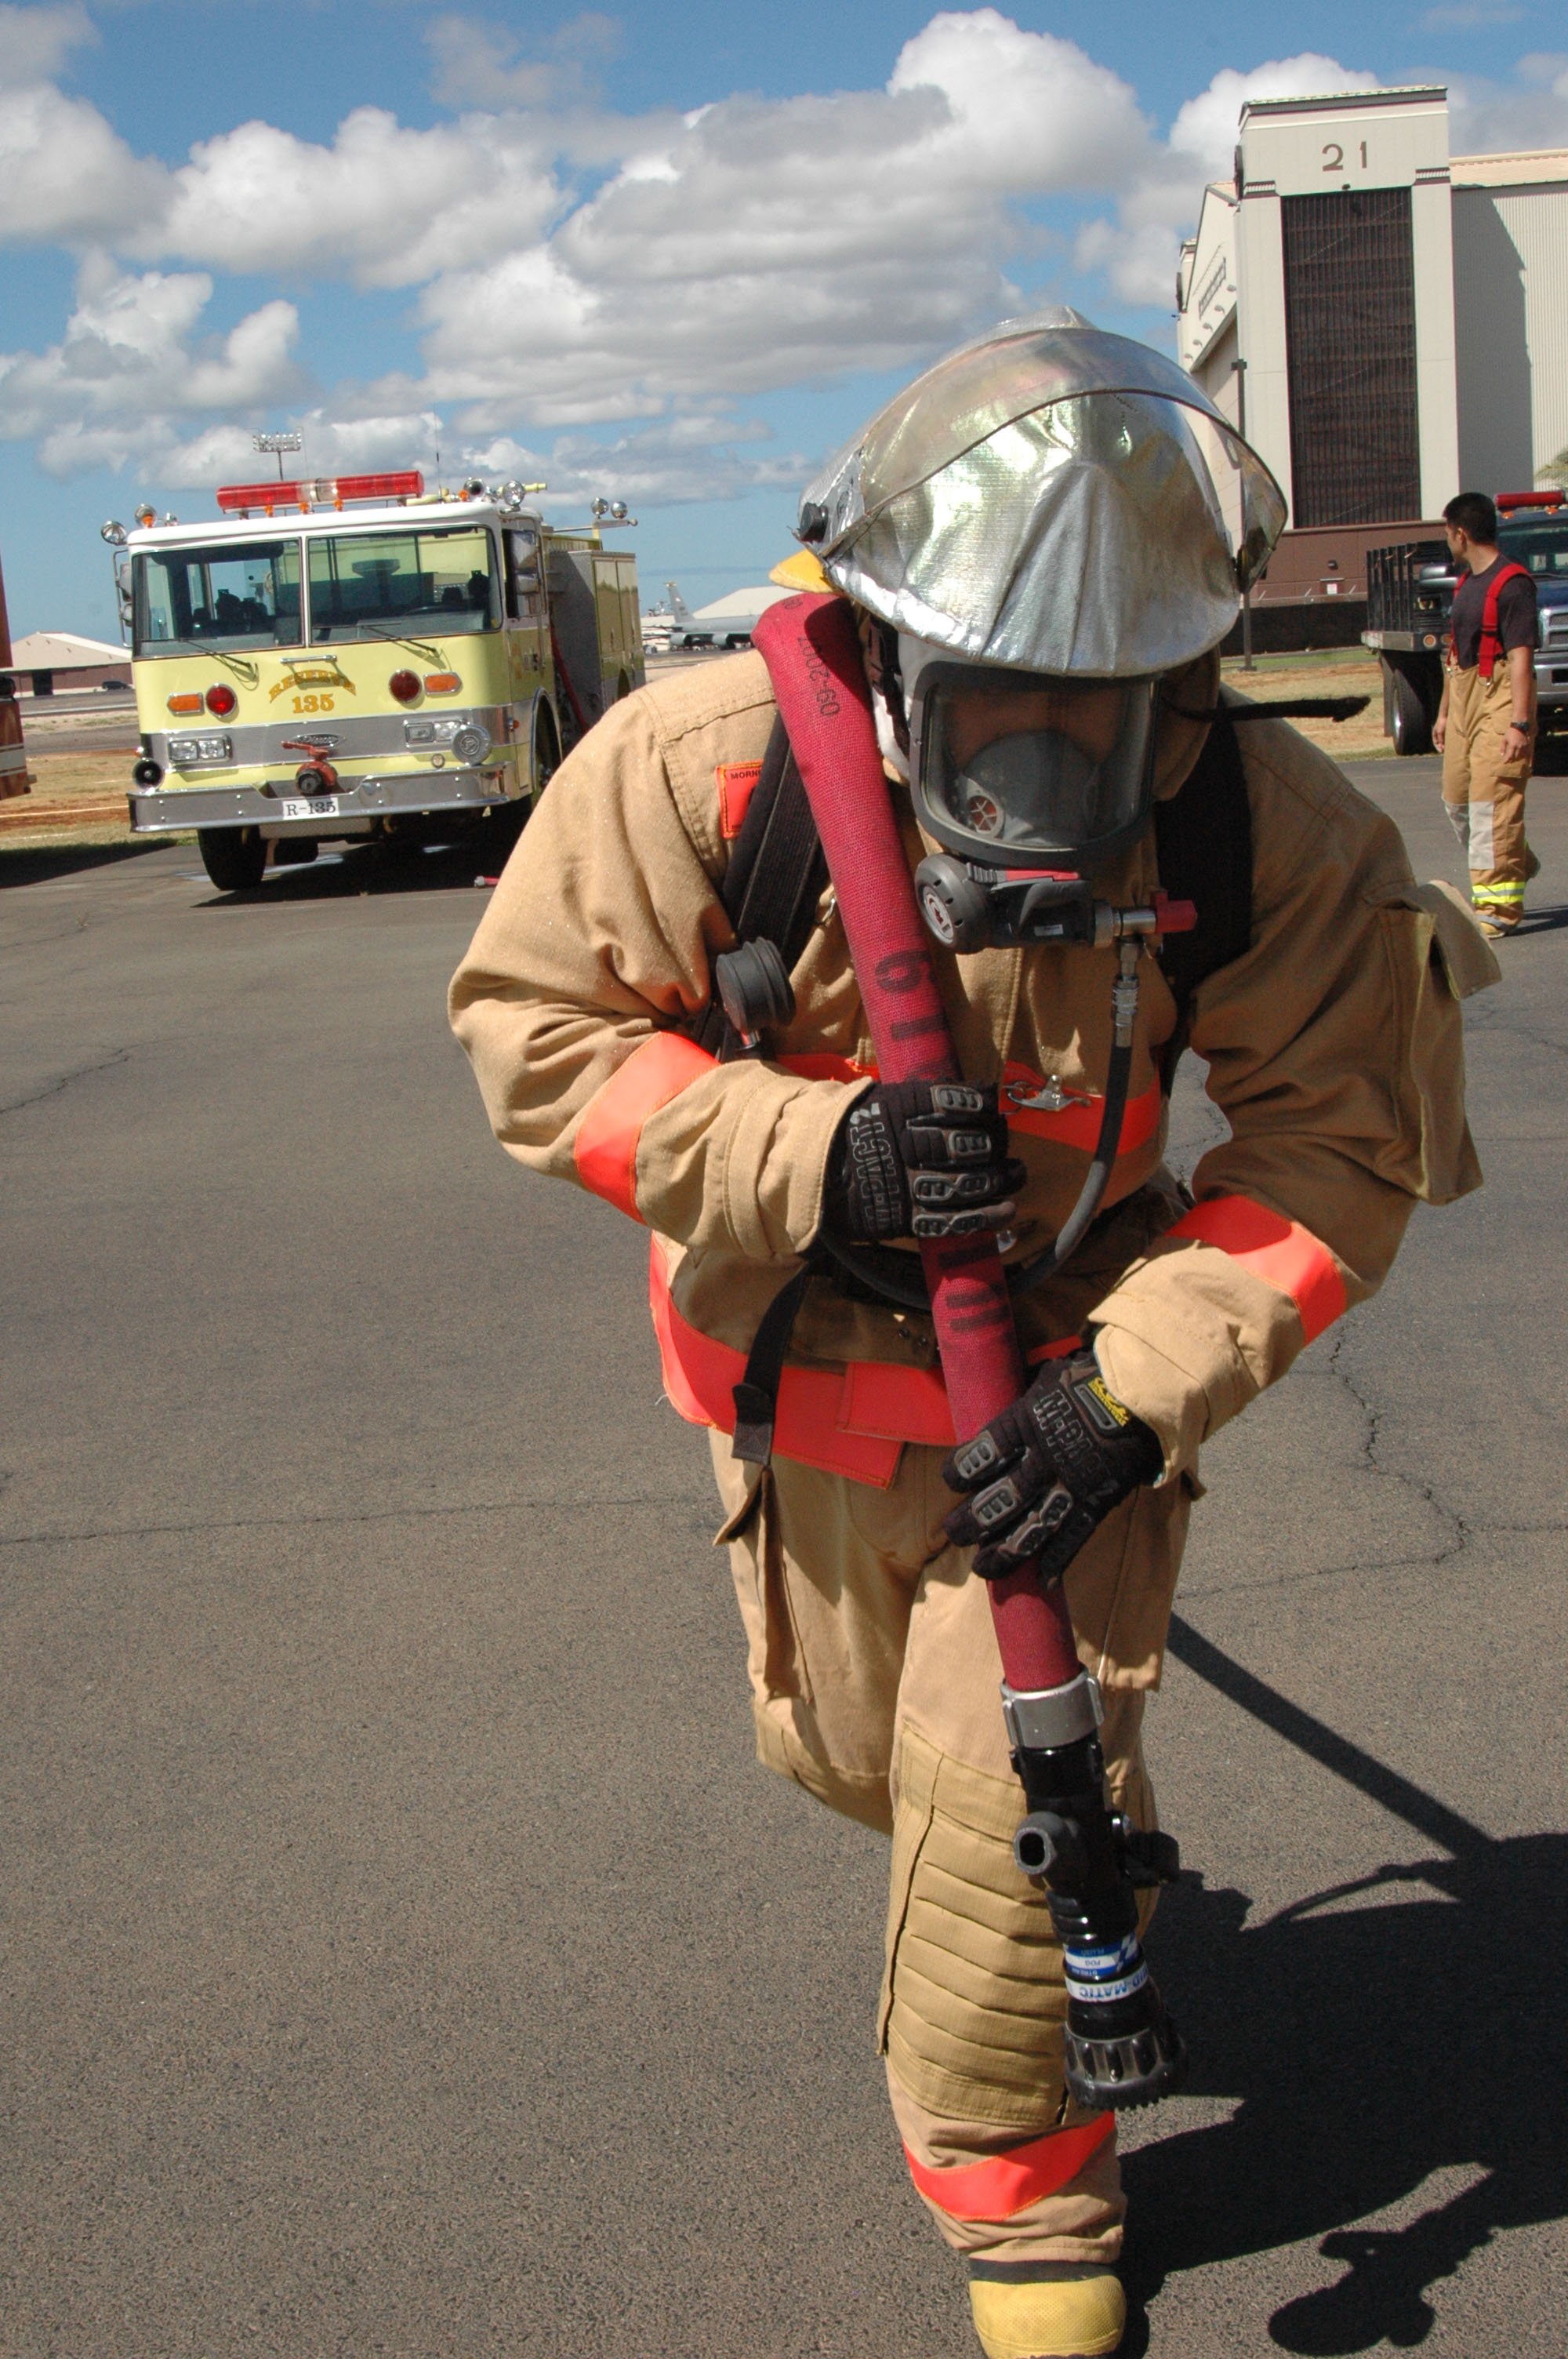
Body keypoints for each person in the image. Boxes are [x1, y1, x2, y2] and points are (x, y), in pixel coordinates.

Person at [449, 313, 1494, 2359]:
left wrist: (1132, 1390)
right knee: (857, 1767)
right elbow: (536, 1037)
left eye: (1102, 714)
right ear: (894, 644)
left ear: (1173, 686)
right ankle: (1010, 1865)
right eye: (999, 703)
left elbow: (1345, 1151)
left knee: (1008, 1826)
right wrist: (806, 1157)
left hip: (1073, 1397)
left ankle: (1031, 2228)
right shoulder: (700, 772)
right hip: (801, 1400)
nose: (1051, 764)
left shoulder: (1248, 820)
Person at [1432, 489, 1540, 939]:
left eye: (1447, 533)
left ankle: (1495, 908)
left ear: (1461, 532)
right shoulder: (1466, 585)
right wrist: (1443, 714)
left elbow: (1521, 660)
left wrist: (1519, 722)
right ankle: (1514, 853)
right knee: (1457, 800)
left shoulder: (1513, 584)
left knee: (1488, 805)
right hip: (1462, 700)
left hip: (1499, 701)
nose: (1448, 542)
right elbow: (1455, 656)